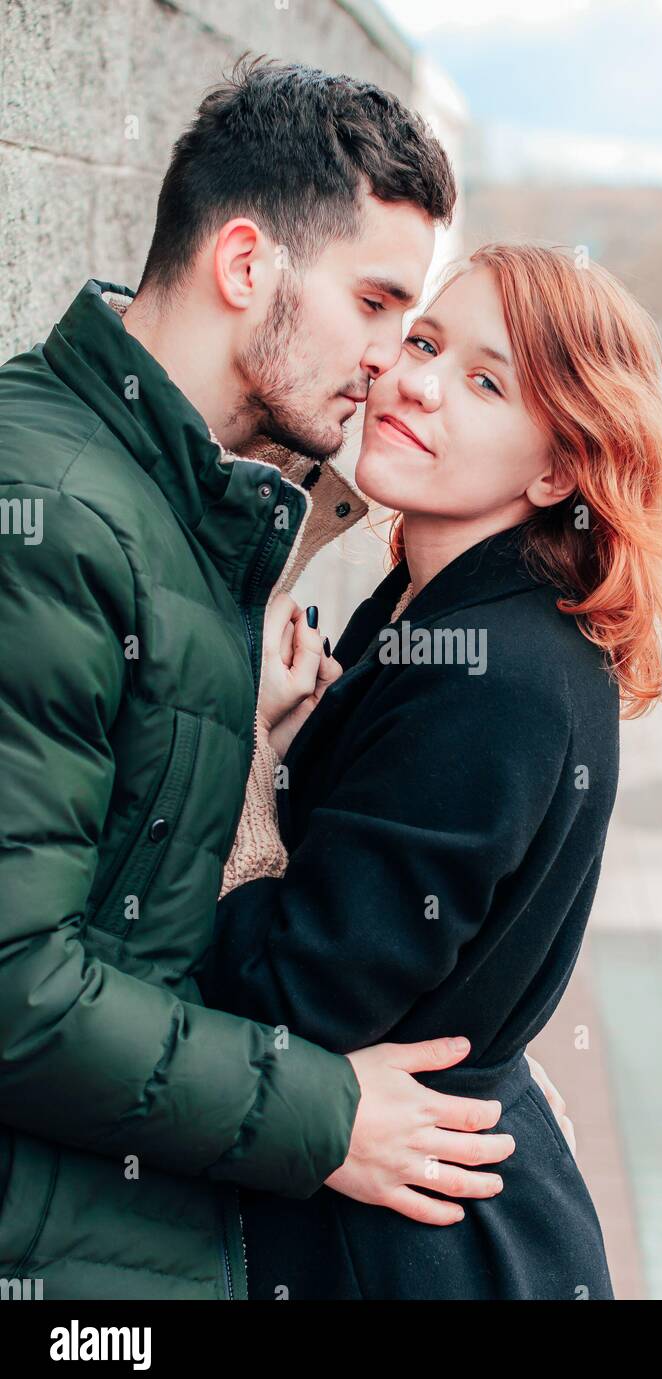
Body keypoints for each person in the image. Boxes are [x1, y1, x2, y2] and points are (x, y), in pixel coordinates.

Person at [0, 59, 519, 1300]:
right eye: (377, 302)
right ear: (246, 267)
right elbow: (16, 984)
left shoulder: (182, 499)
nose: (393, 364)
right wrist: (328, 1111)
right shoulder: (56, 516)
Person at [201, 242, 662, 1299]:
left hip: (405, 1241)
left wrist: (244, 764)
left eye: (484, 381)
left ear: (556, 468)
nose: (417, 380)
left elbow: (299, 991)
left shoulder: (497, 672)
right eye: (422, 340)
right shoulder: (435, 611)